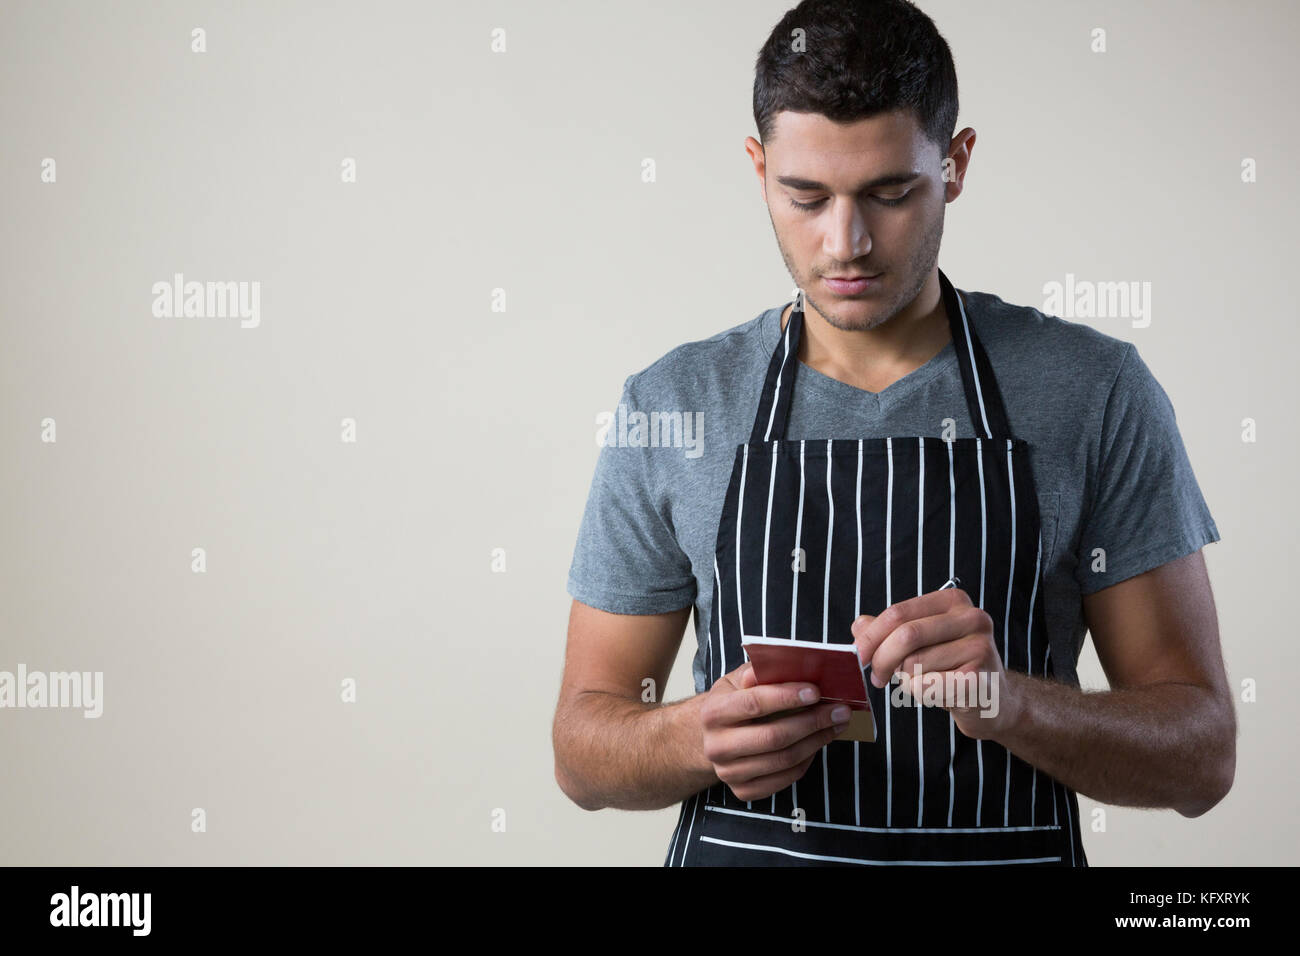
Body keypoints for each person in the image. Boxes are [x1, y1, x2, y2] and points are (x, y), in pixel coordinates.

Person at [552, 0, 1234, 866]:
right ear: (758, 168)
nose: (848, 243)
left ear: (955, 164)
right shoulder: (673, 403)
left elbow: (1202, 757)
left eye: (890, 192)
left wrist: (1011, 704)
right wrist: (694, 738)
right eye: (806, 196)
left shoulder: (1094, 391)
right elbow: (581, 748)